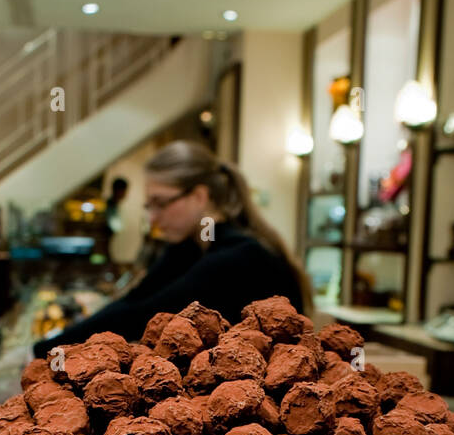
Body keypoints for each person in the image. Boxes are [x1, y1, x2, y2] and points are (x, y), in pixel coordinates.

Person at [37, 141, 311, 350]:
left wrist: (45, 350)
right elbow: (134, 300)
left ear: (199, 196)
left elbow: (141, 317)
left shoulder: (239, 257)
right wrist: (46, 349)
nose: (153, 218)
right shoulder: (192, 247)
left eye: (161, 203)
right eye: (149, 206)